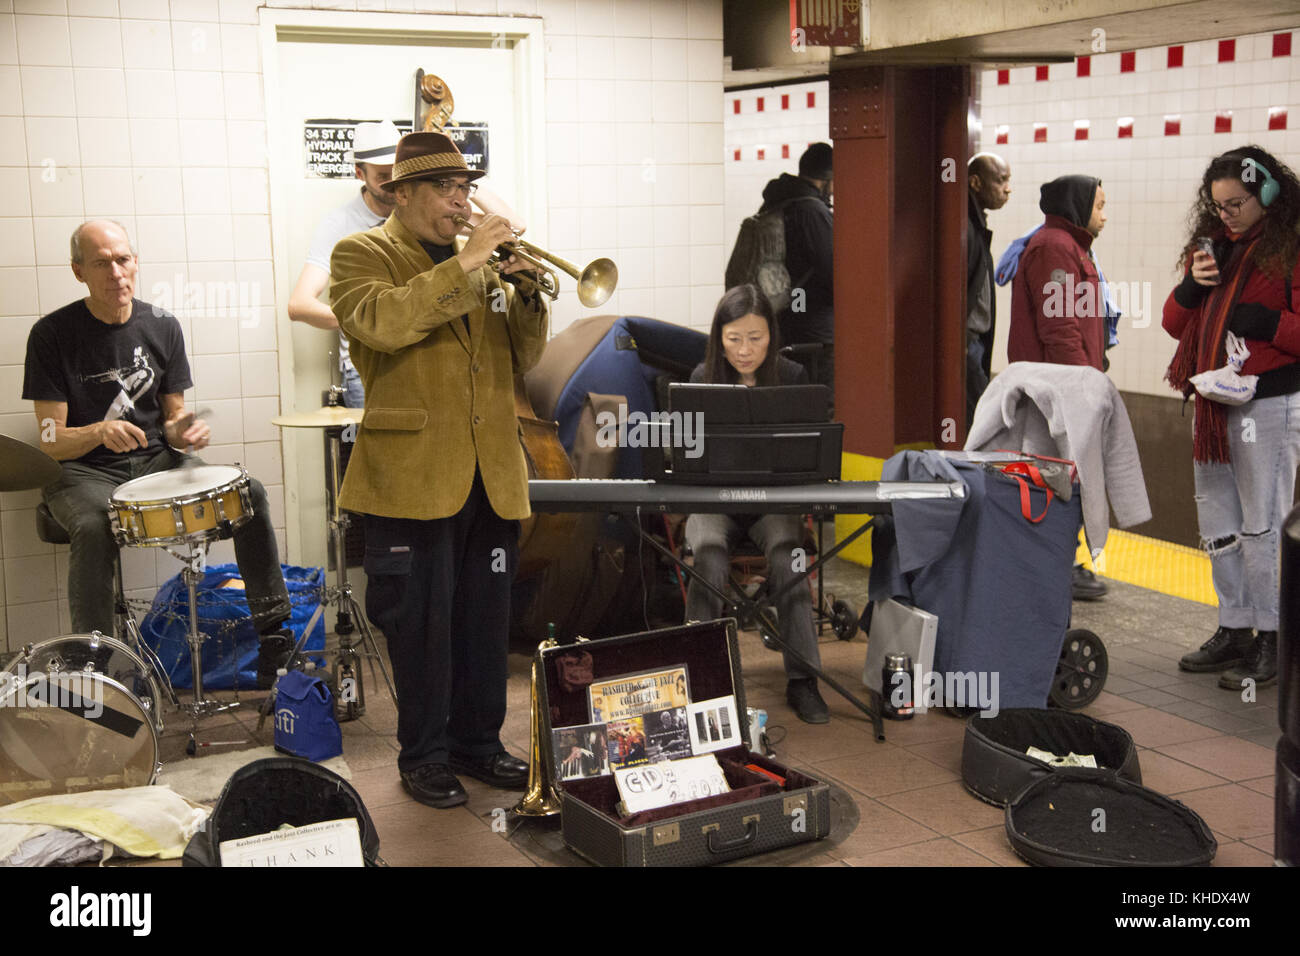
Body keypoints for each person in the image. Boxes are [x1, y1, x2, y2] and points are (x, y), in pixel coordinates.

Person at [329, 131, 548, 809]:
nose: (463, 202)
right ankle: (423, 754)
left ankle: (479, 743)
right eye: (450, 190)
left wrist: (528, 293)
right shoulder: (362, 253)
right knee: (421, 625)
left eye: (465, 189)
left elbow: (523, 358)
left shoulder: (476, 264)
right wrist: (469, 264)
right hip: (410, 476)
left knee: (486, 620)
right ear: (407, 193)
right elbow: (380, 325)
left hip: (491, 473)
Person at [23, 220, 293, 685]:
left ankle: (273, 634)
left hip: (156, 460)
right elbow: (51, 440)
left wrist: (186, 432)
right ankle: (96, 666)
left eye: (123, 259)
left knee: (250, 490)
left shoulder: (163, 325)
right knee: (92, 524)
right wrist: (98, 432)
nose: (116, 273)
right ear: (78, 272)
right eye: (101, 263)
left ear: (136, 262)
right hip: (83, 471)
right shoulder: (51, 335)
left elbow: (173, 419)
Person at [1163, 145, 1300, 690]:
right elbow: (1176, 323)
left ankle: (1273, 636)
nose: (1227, 215)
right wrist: (1192, 286)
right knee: (1218, 523)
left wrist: (1266, 321)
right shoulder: (1218, 247)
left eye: (1237, 203)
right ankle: (1235, 625)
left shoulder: (1289, 247)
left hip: (1269, 402)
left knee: (1261, 524)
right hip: (1215, 404)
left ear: (1267, 193)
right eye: (1218, 206)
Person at [682, 284, 828, 723]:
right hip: (714, 502)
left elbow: (809, 455)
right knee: (706, 555)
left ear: (772, 336)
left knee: (790, 559)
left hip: (772, 503)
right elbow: (686, 459)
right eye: (733, 339)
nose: (745, 351)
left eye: (756, 338)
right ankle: (700, 678)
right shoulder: (700, 380)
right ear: (718, 338)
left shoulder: (793, 377)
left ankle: (803, 681)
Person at [1007, 174, 1110, 601]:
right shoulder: (1055, 247)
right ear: (1078, 205)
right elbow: (1059, 326)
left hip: (1063, 384)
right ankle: (1054, 564)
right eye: (1100, 205)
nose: (1105, 214)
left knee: (1064, 477)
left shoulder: (1069, 245)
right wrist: (1081, 385)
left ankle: (1059, 561)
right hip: (1056, 390)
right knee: (1057, 478)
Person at [289, 121, 401, 409]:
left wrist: (448, 178)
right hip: (364, 371)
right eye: (382, 176)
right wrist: (370, 318)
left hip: (417, 363)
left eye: (398, 174)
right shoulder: (338, 225)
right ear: (360, 173)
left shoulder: (418, 215)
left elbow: (513, 224)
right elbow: (299, 305)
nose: (392, 184)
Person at [759, 142, 834, 392]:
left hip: (786, 314)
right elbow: (831, 269)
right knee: (821, 396)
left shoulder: (777, 202)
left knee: (793, 392)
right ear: (827, 178)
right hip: (815, 327)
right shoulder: (812, 210)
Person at [966, 152, 1012, 426]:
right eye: (1001, 180)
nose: (1008, 188)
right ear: (975, 183)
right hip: (966, 343)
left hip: (974, 342)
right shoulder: (966, 228)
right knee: (982, 422)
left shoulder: (976, 223)